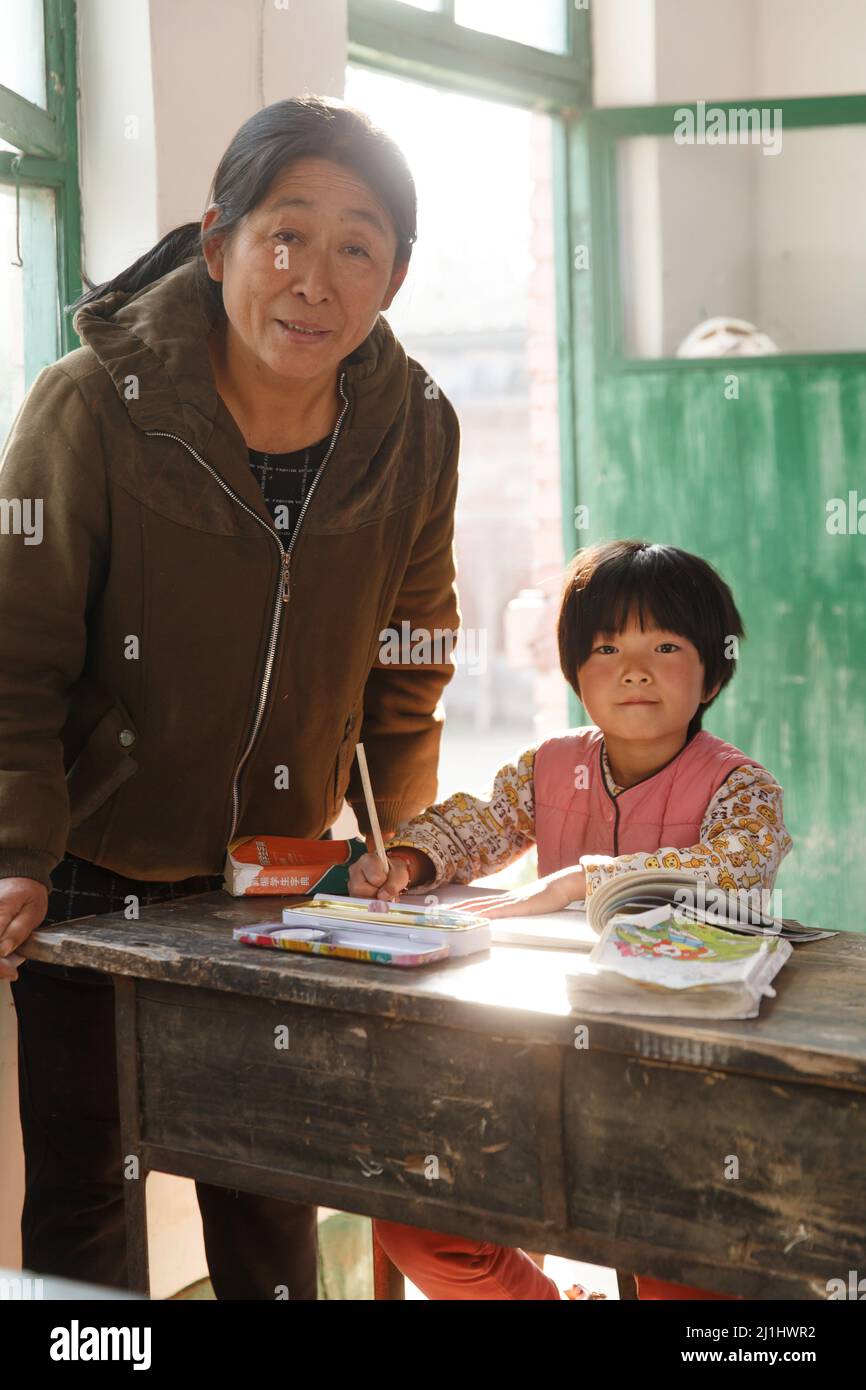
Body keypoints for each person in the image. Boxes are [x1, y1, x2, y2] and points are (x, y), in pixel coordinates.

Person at [0, 95, 462, 1298]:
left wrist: (401, 840)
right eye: (285, 234)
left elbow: (409, 653)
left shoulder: (413, 428)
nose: (314, 279)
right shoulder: (90, 406)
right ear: (218, 244)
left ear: (393, 277)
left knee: (271, 1187)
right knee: (87, 1199)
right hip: (93, 871)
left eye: (356, 246)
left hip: (283, 870)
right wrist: (14, 851)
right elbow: (15, 652)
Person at [349, 539, 793, 1300]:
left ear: (714, 670)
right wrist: (410, 862)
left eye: (665, 646)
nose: (634, 670)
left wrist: (581, 881)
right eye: (607, 648)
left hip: (681, 1086)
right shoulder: (550, 766)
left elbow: (740, 868)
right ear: (574, 671)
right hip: (537, 1064)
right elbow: (478, 824)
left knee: (681, 1271)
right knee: (418, 1228)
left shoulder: (742, 787)